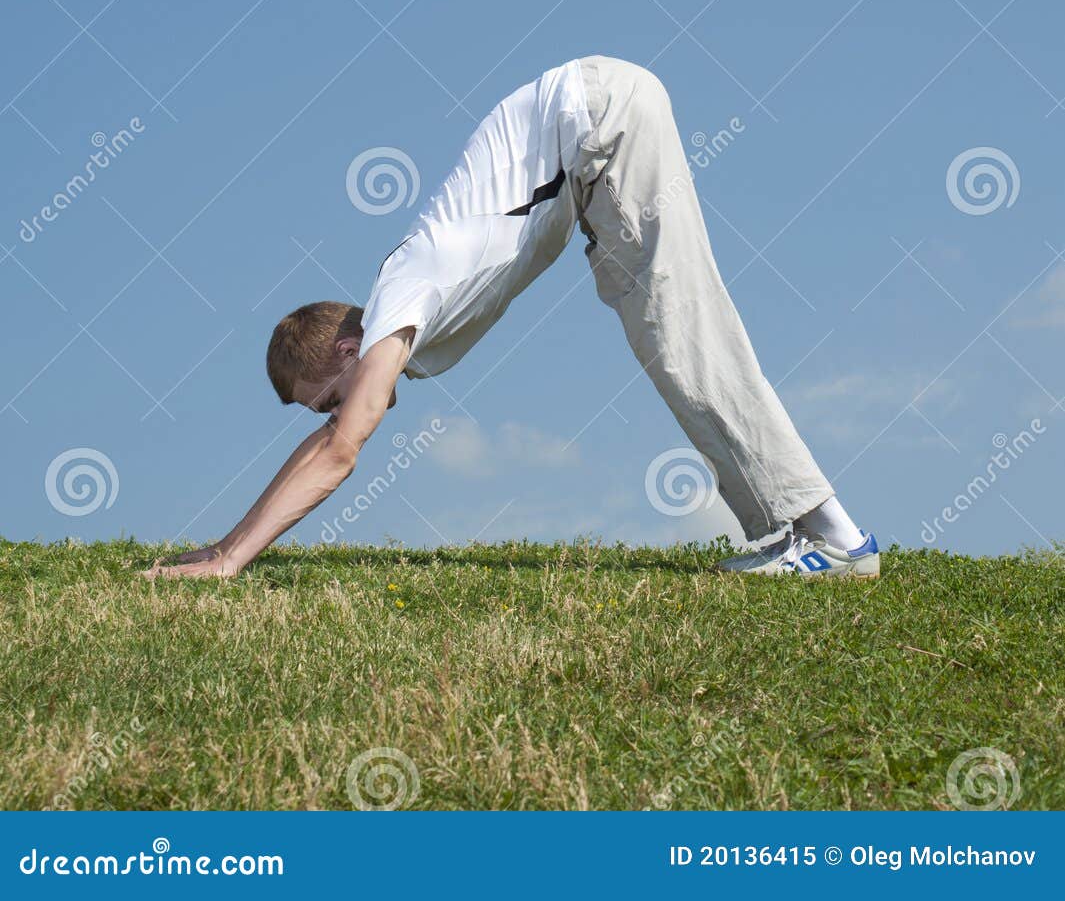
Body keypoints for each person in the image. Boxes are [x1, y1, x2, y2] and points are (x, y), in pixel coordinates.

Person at [145, 57, 878, 582]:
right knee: (670, 345)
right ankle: (790, 537)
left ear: (347, 345)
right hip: (591, 147)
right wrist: (225, 545)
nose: (343, 409)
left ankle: (840, 541)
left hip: (601, 120)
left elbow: (342, 447)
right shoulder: (405, 305)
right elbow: (331, 438)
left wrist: (229, 562)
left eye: (331, 395)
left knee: (683, 337)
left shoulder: (403, 293)